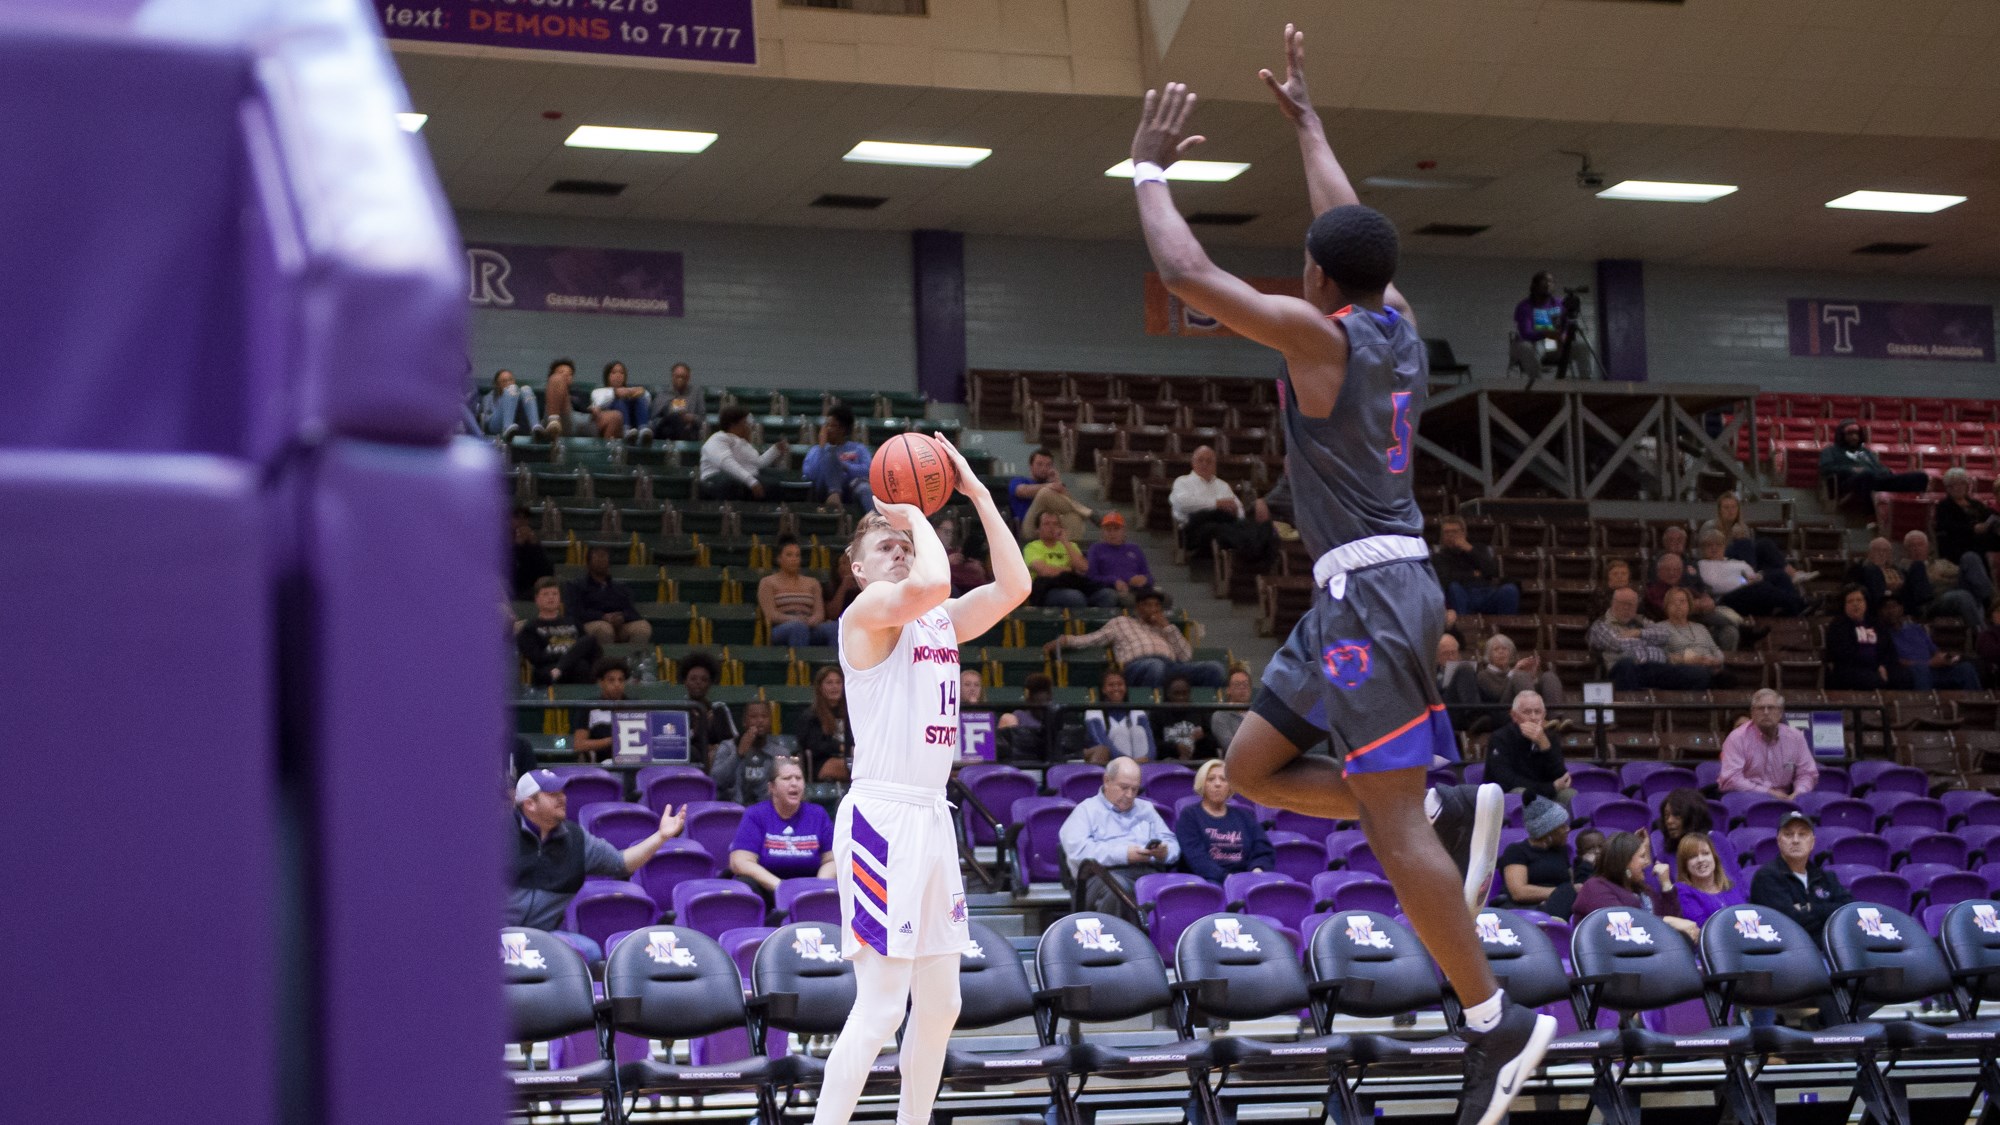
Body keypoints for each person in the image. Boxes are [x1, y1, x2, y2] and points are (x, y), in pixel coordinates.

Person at [1142, 33, 1533, 1123]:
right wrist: (1308, 126)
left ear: (1317, 278)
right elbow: (1352, 225)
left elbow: (1186, 273)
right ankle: (1425, 809)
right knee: (1254, 767)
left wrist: (1146, 169)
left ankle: (1492, 1021)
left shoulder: (1325, 343)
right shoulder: (1399, 326)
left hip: (1373, 594)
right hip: (1356, 594)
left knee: (1390, 829)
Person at [813, 432, 1030, 1125]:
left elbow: (1015, 585)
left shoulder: (936, 620)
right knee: (880, 1007)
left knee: (942, 1003)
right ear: (855, 566)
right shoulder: (864, 616)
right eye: (885, 544)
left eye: (904, 541)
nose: (900, 547)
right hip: (881, 819)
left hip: (932, 817)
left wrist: (978, 492)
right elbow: (933, 581)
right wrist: (914, 512)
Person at [509, 769, 685, 960]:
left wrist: (661, 837)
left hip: (543, 934)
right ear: (529, 804)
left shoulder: (576, 839)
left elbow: (622, 863)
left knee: (590, 951)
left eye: (562, 792)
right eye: (552, 794)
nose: (562, 798)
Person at [1057, 756, 1179, 923]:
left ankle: (1169, 947)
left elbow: (1172, 844)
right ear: (1107, 781)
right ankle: (1115, 945)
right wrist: (1124, 854)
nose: (1129, 795)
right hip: (1101, 877)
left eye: (1135, 789)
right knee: (1119, 889)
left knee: (1180, 890)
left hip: (1147, 872)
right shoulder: (1086, 811)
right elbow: (1079, 852)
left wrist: (1164, 852)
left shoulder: (1146, 809)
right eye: (1124, 788)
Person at [1044, 587, 1224, 687]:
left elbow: (1186, 657)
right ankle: (1151, 712)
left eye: (1156, 606)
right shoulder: (1121, 622)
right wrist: (1065, 640)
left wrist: (1167, 627)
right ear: (1138, 607)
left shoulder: (1167, 628)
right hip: (1137, 667)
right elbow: (1092, 639)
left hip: (1171, 667)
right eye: (1148, 605)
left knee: (1214, 668)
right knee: (1155, 666)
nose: (1153, 609)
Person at [729, 756, 837, 899]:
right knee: (745, 883)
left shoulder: (818, 814)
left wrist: (817, 887)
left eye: (799, 778)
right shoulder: (756, 814)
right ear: (772, 787)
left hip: (809, 891)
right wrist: (782, 887)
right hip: (769, 890)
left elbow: (832, 860)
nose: (794, 783)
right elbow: (739, 861)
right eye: (787, 778)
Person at [1571, 830, 1697, 941]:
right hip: (1612, 962)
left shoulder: (1643, 889)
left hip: (1652, 956)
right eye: (1642, 856)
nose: (1647, 861)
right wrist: (1668, 921)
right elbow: (1622, 929)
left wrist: (1666, 885)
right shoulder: (1595, 887)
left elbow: (1677, 925)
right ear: (1625, 861)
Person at [1749, 812, 1852, 944]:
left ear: (1812, 842)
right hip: (1788, 955)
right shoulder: (1766, 877)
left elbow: (1849, 910)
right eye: (1788, 834)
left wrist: (1810, 908)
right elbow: (1787, 923)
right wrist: (1827, 910)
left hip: (1828, 949)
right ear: (1779, 841)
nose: (1795, 840)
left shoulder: (1826, 877)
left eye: (1802, 834)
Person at [1588, 587, 1712, 690]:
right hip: (1628, 669)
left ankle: (1681, 716)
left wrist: (1639, 633)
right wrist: (1650, 639)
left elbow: (1665, 634)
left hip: (1658, 667)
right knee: (1627, 664)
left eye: (1631, 605)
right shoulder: (1601, 625)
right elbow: (1618, 644)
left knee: (1699, 673)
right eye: (1623, 604)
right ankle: (1633, 713)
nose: (1627, 608)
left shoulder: (1641, 621)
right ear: (1613, 603)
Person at [1174, 759, 1274, 884]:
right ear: (1202, 784)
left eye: (1223, 779)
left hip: (1246, 878)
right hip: (1208, 881)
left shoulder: (1244, 816)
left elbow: (1263, 849)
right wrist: (1228, 878)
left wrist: (1257, 869)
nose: (1218, 784)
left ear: (1230, 786)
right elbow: (1196, 858)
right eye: (1211, 779)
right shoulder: (1190, 815)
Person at [1718, 690, 1818, 797]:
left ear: (1780, 712)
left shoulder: (1795, 737)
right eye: (1761, 708)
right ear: (1752, 713)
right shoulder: (1737, 738)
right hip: (1747, 798)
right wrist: (1769, 793)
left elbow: (1807, 774)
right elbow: (1730, 779)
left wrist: (1798, 793)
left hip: (1787, 799)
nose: (1766, 712)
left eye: (1771, 708)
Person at [1482, 691, 1573, 808]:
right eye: (1527, 712)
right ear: (1514, 716)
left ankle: (1568, 827)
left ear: (1544, 715)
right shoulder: (1500, 738)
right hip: (1507, 798)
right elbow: (1506, 781)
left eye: (1538, 712)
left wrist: (1545, 747)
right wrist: (1550, 788)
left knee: (1569, 794)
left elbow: (1564, 779)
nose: (1533, 717)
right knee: (1520, 792)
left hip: (1544, 793)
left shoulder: (1549, 737)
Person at [1694, 530, 1804, 622]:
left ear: (1724, 547)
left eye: (1718, 545)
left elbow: (1750, 572)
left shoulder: (1733, 562)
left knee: (1779, 575)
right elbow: (1715, 585)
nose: (1714, 548)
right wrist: (1745, 582)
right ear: (1702, 549)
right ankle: (1799, 604)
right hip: (1727, 599)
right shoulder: (1702, 565)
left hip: (1749, 589)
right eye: (1709, 545)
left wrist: (1756, 578)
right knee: (1761, 588)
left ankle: (1793, 611)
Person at [1647, 551, 1747, 648]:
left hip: (1699, 628)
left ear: (1681, 571)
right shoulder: (1654, 591)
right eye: (1667, 569)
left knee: (1730, 631)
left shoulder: (1685, 588)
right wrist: (1695, 605)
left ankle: (1725, 662)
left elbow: (1707, 601)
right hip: (1674, 631)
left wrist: (1705, 602)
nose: (1672, 573)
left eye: (1676, 569)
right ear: (1659, 571)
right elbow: (1667, 610)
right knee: (1723, 622)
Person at [516, 576, 603, 686]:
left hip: (571, 668)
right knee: (580, 665)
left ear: (560, 598)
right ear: (537, 599)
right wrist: (567, 654)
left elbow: (587, 647)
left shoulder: (573, 622)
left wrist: (564, 663)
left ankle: (560, 669)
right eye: (546, 594)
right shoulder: (530, 627)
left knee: (590, 641)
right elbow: (537, 658)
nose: (551, 597)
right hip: (548, 671)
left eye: (554, 594)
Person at [1881, 597, 1983, 690]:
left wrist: (1945, 658)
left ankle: (1979, 707)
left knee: (1966, 668)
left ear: (1901, 608)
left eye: (1894, 606)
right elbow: (1895, 661)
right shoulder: (1882, 634)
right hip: (1913, 671)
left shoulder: (1916, 629)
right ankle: (1925, 708)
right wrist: (1927, 664)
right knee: (1920, 670)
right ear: (1880, 612)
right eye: (1886, 608)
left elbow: (1935, 651)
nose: (1891, 611)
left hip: (1933, 668)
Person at [1498, 798, 1577, 916]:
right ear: (1548, 831)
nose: (1568, 829)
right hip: (1526, 911)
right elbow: (1519, 892)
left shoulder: (1561, 850)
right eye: (1562, 826)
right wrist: (1563, 893)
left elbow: (1570, 884)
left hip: (1559, 906)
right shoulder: (1517, 850)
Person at [1171, 445, 1251, 562]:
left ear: (1214, 465)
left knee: (1227, 522)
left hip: (1222, 526)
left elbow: (1237, 506)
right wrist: (1217, 504)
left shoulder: (1222, 485)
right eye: (1200, 460)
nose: (1204, 464)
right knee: (1215, 518)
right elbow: (1182, 504)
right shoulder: (1182, 482)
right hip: (1192, 528)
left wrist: (1237, 514)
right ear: (1193, 463)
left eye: (1209, 461)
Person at [565, 546, 654, 647]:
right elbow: (576, 612)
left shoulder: (620, 587)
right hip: (590, 624)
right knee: (604, 629)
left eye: (604, 556)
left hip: (619, 626)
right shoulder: (577, 586)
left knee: (643, 627)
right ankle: (605, 661)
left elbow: (632, 611)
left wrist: (622, 617)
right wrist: (602, 617)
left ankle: (634, 660)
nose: (601, 560)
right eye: (597, 556)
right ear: (588, 563)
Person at [1820, 420, 1928, 502]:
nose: (1854, 437)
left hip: (1875, 479)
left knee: (1920, 477)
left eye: (1856, 434)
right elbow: (1826, 468)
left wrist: (1885, 471)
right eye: (1850, 434)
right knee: (1867, 475)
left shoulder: (1865, 451)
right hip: (1851, 482)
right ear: (1842, 435)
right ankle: (1869, 514)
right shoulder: (1831, 451)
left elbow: (1877, 466)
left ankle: (1904, 510)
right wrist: (1851, 469)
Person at [1935, 467, 2000, 604]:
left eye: (1962, 483)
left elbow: (1990, 517)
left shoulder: (1976, 504)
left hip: (1981, 542)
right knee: (1975, 554)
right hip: (1958, 546)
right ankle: (1992, 600)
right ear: (1948, 488)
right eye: (1954, 485)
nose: (1959, 487)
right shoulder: (1944, 506)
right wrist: (1972, 528)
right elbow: (1946, 526)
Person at [1008, 447, 1102, 541]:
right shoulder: (1019, 480)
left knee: (1074, 517)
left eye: (1048, 465)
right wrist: (1050, 485)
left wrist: (1057, 483)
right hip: (1028, 527)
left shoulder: (1053, 485)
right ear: (1031, 466)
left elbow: (1069, 504)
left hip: (1050, 526)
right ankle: (1089, 513)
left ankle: (1066, 552)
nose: (1044, 468)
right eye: (1039, 464)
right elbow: (1022, 491)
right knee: (1044, 493)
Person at [699, 404, 789, 501]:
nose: (748, 426)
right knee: (731, 484)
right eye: (745, 422)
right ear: (733, 424)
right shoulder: (718, 438)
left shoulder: (743, 442)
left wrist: (775, 450)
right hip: (717, 478)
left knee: (775, 483)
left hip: (741, 478)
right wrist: (751, 481)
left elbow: (757, 464)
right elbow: (726, 462)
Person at [1433, 515, 1519, 616]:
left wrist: (1469, 549)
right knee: (1454, 587)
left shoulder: (1479, 549)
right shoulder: (1439, 557)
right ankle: (1463, 628)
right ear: (1442, 536)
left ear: (1464, 533)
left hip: (1486, 592)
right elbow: (1446, 579)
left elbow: (1492, 571)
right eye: (1447, 532)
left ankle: (1506, 629)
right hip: (1462, 593)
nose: (1451, 535)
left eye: (1455, 531)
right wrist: (1473, 574)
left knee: (1510, 590)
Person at [760, 535, 836, 647]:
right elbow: (771, 614)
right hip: (782, 627)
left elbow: (819, 613)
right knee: (798, 628)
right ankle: (800, 662)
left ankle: (835, 664)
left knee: (834, 627)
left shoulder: (812, 583)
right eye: (789, 555)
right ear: (779, 559)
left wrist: (812, 620)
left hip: (809, 625)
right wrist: (795, 619)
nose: (794, 559)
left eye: (797, 555)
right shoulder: (768, 583)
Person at [1899, 530, 1983, 625]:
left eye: (1920, 544)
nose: (1916, 548)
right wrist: (1946, 579)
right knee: (1963, 595)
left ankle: (1991, 600)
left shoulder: (1942, 563)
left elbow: (1965, 575)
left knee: (1970, 558)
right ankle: (1982, 633)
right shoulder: (1905, 567)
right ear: (1905, 550)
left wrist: (1941, 579)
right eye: (1912, 546)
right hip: (1935, 600)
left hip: (1955, 590)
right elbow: (1927, 585)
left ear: (1927, 547)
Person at [801, 404, 873, 509]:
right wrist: (822, 449)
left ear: (842, 429)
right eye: (827, 425)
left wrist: (844, 466)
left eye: (832, 425)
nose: (827, 429)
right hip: (823, 490)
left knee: (864, 488)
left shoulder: (858, 449)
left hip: (851, 488)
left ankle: (877, 522)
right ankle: (834, 492)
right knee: (830, 454)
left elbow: (868, 471)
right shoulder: (816, 450)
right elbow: (810, 474)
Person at [1079, 668, 1156, 764]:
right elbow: (1101, 742)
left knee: (1138, 731)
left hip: (1139, 761)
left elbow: (1150, 743)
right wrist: (1127, 762)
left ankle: (1143, 771)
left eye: (1120, 684)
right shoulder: (1094, 711)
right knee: (1120, 732)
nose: (1116, 688)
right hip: (1112, 764)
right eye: (1111, 685)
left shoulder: (1137, 710)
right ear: (1103, 689)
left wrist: (1147, 758)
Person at [1673, 832, 1749, 931]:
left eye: (1705, 853)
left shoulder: (1731, 886)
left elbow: (1749, 917)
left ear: (1714, 857)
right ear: (1685, 865)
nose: (1700, 860)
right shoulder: (1683, 891)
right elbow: (1703, 928)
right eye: (1693, 856)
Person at [709, 700, 780, 805]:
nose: (760, 721)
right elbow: (716, 781)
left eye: (764, 716)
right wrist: (738, 755)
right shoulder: (728, 747)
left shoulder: (779, 752)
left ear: (770, 722)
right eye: (754, 717)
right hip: (732, 812)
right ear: (744, 721)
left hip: (766, 813)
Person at [1657, 587, 1731, 686]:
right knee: (1700, 674)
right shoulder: (1659, 628)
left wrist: (1716, 661)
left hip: (1711, 667)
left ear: (1689, 605)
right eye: (1673, 602)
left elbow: (1715, 650)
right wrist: (1689, 660)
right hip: (1684, 669)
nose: (1678, 605)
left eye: (1682, 601)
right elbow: (1663, 655)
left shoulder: (1700, 627)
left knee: (1729, 678)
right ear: (1666, 606)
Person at [1825, 585, 1892, 690]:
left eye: (1859, 600)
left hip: (1877, 667)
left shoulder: (1876, 624)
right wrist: (1874, 667)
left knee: (1903, 676)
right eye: (1850, 601)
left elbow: (1888, 648)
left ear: (1866, 603)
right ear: (1844, 606)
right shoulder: (1838, 626)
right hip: (1850, 669)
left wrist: (1883, 665)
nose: (1855, 604)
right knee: (1872, 679)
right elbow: (1843, 654)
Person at [678, 652, 737, 767]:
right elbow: (676, 742)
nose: (698, 683)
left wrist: (716, 749)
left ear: (710, 683)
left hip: (717, 762)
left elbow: (731, 742)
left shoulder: (720, 709)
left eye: (704, 680)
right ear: (685, 682)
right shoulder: (679, 710)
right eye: (693, 679)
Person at [794, 664, 852, 781]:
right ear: (820, 687)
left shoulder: (851, 714)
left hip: (848, 760)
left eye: (838, 682)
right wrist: (841, 748)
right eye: (829, 683)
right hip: (820, 763)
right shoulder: (811, 716)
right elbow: (814, 746)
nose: (834, 687)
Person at [1653, 788, 1730, 875]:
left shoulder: (1716, 840)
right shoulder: (1666, 852)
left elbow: (1733, 881)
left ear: (1691, 816)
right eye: (1666, 816)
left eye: (1676, 815)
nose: (1669, 821)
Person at [569, 657, 631, 763]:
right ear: (601, 682)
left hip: (631, 765)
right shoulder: (589, 707)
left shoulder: (635, 706)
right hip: (601, 767)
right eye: (611, 680)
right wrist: (613, 740)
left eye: (621, 680)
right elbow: (579, 745)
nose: (617, 684)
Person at [1475, 634, 1563, 707]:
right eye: (1496, 649)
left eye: (1504, 649)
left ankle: (1556, 719)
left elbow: (1531, 692)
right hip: (1502, 712)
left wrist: (1531, 677)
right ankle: (1534, 716)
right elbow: (1497, 695)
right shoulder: (1483, 675)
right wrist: (1514, 673)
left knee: (1549, 676)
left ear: (1510, 653)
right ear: (1489, 655)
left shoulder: (1515, 673)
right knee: (1519, 676)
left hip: (1522, 707)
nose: (1501, 652)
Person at [1086, 512, 1153, 604]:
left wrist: (1144, 580)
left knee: (1163, 598)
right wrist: (1114, 581)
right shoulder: (1096, 549)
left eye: (1116, 529)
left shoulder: (1134, 549)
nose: (1112, 533)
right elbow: (1092, 577)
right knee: (1127, 600)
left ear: (1124, 531)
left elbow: (1148, 576)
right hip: (1109, 589)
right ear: (1102, 532)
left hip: (1136, 589)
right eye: (1108, 530)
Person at [1509, 271, 1563, 379]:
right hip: (1526, 343)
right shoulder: (1525, 306)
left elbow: (1565, 326)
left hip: (1552, 343)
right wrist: (1547, 332)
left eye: (1551, 281)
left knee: (1580, 347)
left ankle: (1586, 386)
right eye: (1544, 281)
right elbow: (1526, 333)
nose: (1548, 284)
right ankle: (1538, 384)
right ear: (1535, 285)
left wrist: (1564, 333)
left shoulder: (1558, 303)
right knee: (1528, 347)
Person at [1155, 676, 1219, 761]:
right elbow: (1154, 744)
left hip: (1197, 762)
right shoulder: (1158, 714)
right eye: (1176, 693)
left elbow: (1214, 744)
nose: (1181, 697)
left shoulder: (1201, 712)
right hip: (1168, 763)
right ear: (1168, 694)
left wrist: (1202, 737)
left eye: (1184, 693)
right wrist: (1175, 748)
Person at [588, 360, 650, 442]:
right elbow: (598, 403)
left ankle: (643, 430)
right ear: (607, 376)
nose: (618, 376)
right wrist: (615, 393)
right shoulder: (598, 391)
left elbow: (647, 398)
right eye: (614, 373)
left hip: (634, 424)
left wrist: (633, 392)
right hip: (615, 423)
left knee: (639, 399)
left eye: (621, 373)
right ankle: (626, 431)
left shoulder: (630, 390)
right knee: (619, 401)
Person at [482, 368, 549, 439]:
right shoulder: (489, 397)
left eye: (510, 380)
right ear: (497, 384)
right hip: (495, 426)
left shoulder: (520, 395)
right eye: (504, 381)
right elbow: (486, 420)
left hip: (519, 427)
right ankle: (506, 428)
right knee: (511, 390)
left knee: (526, 389)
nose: (508, 383)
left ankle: (536, 429)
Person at [652, 362, 703, 441]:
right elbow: (655, 420)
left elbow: (702, 419)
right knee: (674, 417)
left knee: (680, 422)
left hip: (688, 431)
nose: (680, 379)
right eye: (677, 376)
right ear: (672, 377)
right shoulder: (663, 393)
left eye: (683, 377)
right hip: (665, 430)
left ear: (688, 378)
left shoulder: (695, 394)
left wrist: (692, 418)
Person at [511, 507, 554, 599]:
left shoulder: (533, 542)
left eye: (525, 518)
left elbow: (548, 571)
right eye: (517, 517)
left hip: (531, 588)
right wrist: (517, 546)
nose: (521, 521)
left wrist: (535, 546)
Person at [1210, 667, 1254, 750]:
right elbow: (1230, 746)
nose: (1242, 687)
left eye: (1245, 684)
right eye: (1237, 684)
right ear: (1228, 690)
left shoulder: (1258, 713)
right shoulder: (1220, 715)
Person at [540, 357, 585, 437]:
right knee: (557, 380)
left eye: (569, 374)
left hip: (572, 423)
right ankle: (553, 421)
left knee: (612, 417)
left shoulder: (577, 392)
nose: (565, 375)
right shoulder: (545, 390)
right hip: (548, 422)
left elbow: (583, 409)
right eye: (561, 372)